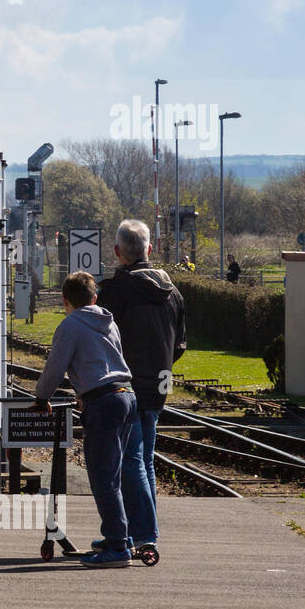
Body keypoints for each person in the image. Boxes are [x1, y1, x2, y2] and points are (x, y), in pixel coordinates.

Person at [33, 272, 140, 568]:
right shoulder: (109, 322)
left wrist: (42, 398)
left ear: (66, 301)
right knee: (115, 476)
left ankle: (118, 548)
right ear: (94, 298)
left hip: (103, 404)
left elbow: (55, 368)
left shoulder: (71, 325)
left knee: (103, 478)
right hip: (126, 396)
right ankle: (120, 535)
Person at [97, 219, 186, 555]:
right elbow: (180, 345)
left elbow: (102, 342)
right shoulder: (173, 293)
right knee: (144, 459)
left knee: (130, 460)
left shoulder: (114, 292)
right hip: (158, 384)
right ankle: (139, 533)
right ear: (150, 249)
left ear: (119, 252)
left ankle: (144, 535)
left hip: (124, 387)